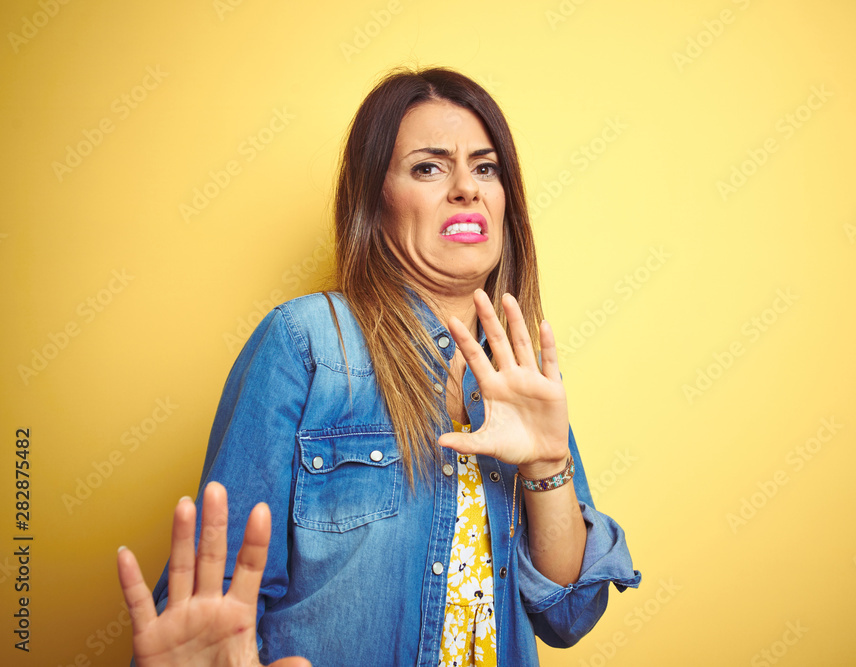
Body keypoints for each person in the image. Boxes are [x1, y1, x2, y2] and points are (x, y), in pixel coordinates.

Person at [116, 65, 641, 667]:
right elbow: (214, 610)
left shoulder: (519, 376)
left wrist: (549, 464)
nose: (467, 188)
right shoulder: (306, 342)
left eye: (486, 167)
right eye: (428, 166)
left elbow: (569, 616)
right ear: (375, 200)